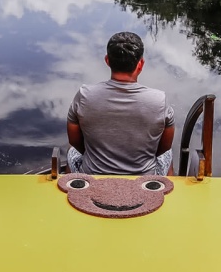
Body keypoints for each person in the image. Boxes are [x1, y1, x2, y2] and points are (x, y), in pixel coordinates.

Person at [66, 32, 175, 176]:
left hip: (93, 175)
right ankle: (168, 192)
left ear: (107, 61)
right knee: (168, 154)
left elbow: (74, 141)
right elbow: (164, 147)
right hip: (144, 179)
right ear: (140, 64)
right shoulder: (159, 100)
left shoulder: (84, 95)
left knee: (70, 151)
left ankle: (70, 189)